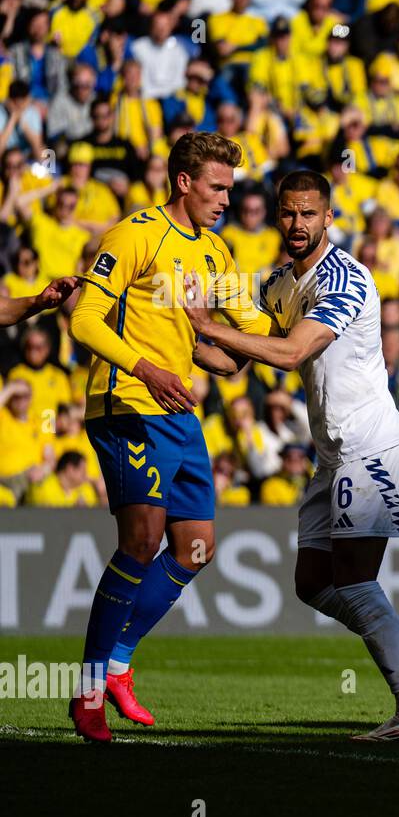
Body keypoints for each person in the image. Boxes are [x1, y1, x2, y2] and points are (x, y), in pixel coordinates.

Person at [181, 169, 399, 741]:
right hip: (332, 452)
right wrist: (176, 339)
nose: (296, 224)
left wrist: (206, 322)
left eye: (308, 213)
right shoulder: (280, 283)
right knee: (313, 581)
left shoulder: (345, 278)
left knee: (357, 580)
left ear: (328, 217)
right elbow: (235, 363)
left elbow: (289, 354)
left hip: (369, 444)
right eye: (288, 213)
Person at [66, 132, 272, 743]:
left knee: (197, 548)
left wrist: (300, 317)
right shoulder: (135, 235)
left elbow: (252, 324)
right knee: (143, 537)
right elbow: (83, 319)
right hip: (128, 400)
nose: (226, 200)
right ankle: (88, 688)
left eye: (230, 189)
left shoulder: (216, 252)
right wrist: (149, 369)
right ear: (183, 182)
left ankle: (121, 661)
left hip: (178, 409)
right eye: (217, 187)